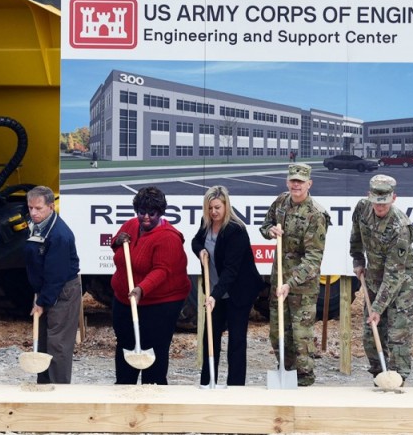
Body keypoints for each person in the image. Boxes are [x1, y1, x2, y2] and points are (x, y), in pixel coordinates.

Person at [109, 186, 191, 384]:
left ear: (160, 213)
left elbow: (162, 270)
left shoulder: (169, 237)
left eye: (151, 213)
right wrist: (117, 241)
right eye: (141, 212)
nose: (146, 217)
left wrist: (141, 289)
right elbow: (117, 249)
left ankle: (152, 390)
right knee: (125, 345)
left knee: (154, 349)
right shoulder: (130, 225)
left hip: (161, 302)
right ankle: (124, 388)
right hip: (124, 299)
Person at [260, 163, 330, 386]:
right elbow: (265, 224)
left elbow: (313, 259)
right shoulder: (281, 202)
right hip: (278, 280)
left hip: (301, 287)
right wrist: (270, 231)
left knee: (301, 338)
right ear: (287, 182)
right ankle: (285, 374)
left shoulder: (316, 215)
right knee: (278, 333)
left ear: (309, 183)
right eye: (293, 180)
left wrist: (290, 283)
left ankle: (305, 381)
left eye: (300, 181)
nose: (296, 185)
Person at [350, 174, 413, 383]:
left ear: (394, 198)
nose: (380, 208)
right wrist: (358, 260)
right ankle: (379, 376)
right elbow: (356, 237)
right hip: (373, 277)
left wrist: (378, 308)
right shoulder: (362, 208)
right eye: (376, 203)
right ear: (368, 196)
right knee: (371, 333)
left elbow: (394, 275)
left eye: (385, 204)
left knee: (397, 334)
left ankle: (398, 379)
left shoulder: (400, 228)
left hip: (401, 281)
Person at [191, 185, 262, 386]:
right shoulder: (206, 225)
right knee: (209, 339)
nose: (214, 212)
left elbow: (231, 270)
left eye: (217, 208)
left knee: (236, 340)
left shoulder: (235, 231)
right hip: (216, 291)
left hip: (238, 291)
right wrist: (201, 251)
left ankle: (235, 386)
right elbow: (196, 241)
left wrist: (214, 295)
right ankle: (207, 382)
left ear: (226, 207)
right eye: (210, 208)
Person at [25, 185, 83, 384]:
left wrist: (42, 301)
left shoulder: (59, 235)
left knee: (57, 343)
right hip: (44, 288)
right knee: (42, 341)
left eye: (38, 208)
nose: (33, 212)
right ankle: (43, 385)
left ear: (51, 207)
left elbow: (56, 275)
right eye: (30, 208)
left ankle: (59, 390)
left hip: (62, 290)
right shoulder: (34, 224)